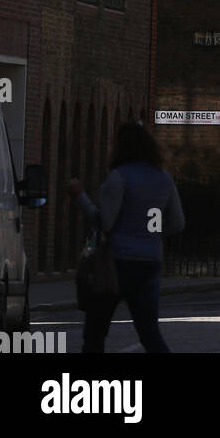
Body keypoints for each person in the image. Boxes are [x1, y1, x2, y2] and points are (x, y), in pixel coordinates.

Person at [68, 121, 185, 353]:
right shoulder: (164, 179)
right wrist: (151, 232)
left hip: (116, 263)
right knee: (149, 333)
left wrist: (80, 197)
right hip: (150, 261)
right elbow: (177, 223)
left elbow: (105, 223)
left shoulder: (119, 177)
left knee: (95, 333)